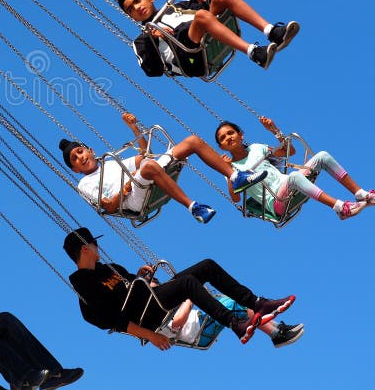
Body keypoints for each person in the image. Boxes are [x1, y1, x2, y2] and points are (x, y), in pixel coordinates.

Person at [64, 227, 297, 347]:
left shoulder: (109, 268)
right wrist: (150, 337)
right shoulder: (85, 287)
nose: (97, 248)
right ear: (86, 248)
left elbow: (129, 286)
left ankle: (257, 303)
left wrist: (141, 278)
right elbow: (111, 320)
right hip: (147, 316)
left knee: (206, 266)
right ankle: (235, 325)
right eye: (94, 244)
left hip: (151, 298)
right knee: (187, 284)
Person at [59, 112, 266, 224]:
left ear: (90, 150)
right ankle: (194, 206)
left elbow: (142, 158)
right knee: (149, 167)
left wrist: (134, 129)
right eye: (74, 159)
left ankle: (234, 176)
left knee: (191, 141)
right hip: (131, 201)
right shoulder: (84, 183)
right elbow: (109, 207)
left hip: (142, 178)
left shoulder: (111, 163)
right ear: (75, 169)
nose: (80, 157)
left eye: (80, 152)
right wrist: (127, 186)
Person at [116, 0, 299, 76]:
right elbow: (152, 71)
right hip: (189, 59)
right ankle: (255, 53)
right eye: (131, 9)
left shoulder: (178, 6)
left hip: (202, 33)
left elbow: (209, 8)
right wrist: (152, 39)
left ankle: (272, 31)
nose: (137, 8)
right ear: (130, 16)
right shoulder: (142, 40)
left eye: (137, 0)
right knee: (202, 18)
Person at [216, 116, 374, 220]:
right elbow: (236, 198)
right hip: (276, 201)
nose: (228, 138)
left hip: (290, 184)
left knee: (322, 156)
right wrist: (228, 170)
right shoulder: (231, 168)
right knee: (293, 177)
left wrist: (274, 130)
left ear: (240, 135)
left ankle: (360, 194)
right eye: (223, 138)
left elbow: (290, 152)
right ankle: (339, 207)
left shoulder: (257, 148)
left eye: (230, 133)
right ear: (222, 147)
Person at [162, 296, 304, 349]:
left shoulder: (162, 304)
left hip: (202, 320)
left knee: (235, 301)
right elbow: (177, 323)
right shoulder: (155, 317)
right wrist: (189, 298)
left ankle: (278, 328)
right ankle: (276, 334)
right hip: (200, 332)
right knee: (232, 304)